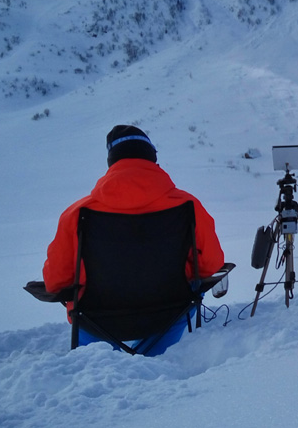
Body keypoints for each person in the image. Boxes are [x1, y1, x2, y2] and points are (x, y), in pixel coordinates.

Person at [42, 125, 225, 352]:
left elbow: (56, 282)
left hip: (96, 318)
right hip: (170, 312)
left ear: (112, 163)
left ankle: (100, 361)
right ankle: (152, 353)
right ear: (152, 159)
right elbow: (210, 266)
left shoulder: (77, 214)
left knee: (82, 307)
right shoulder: (189, 206)